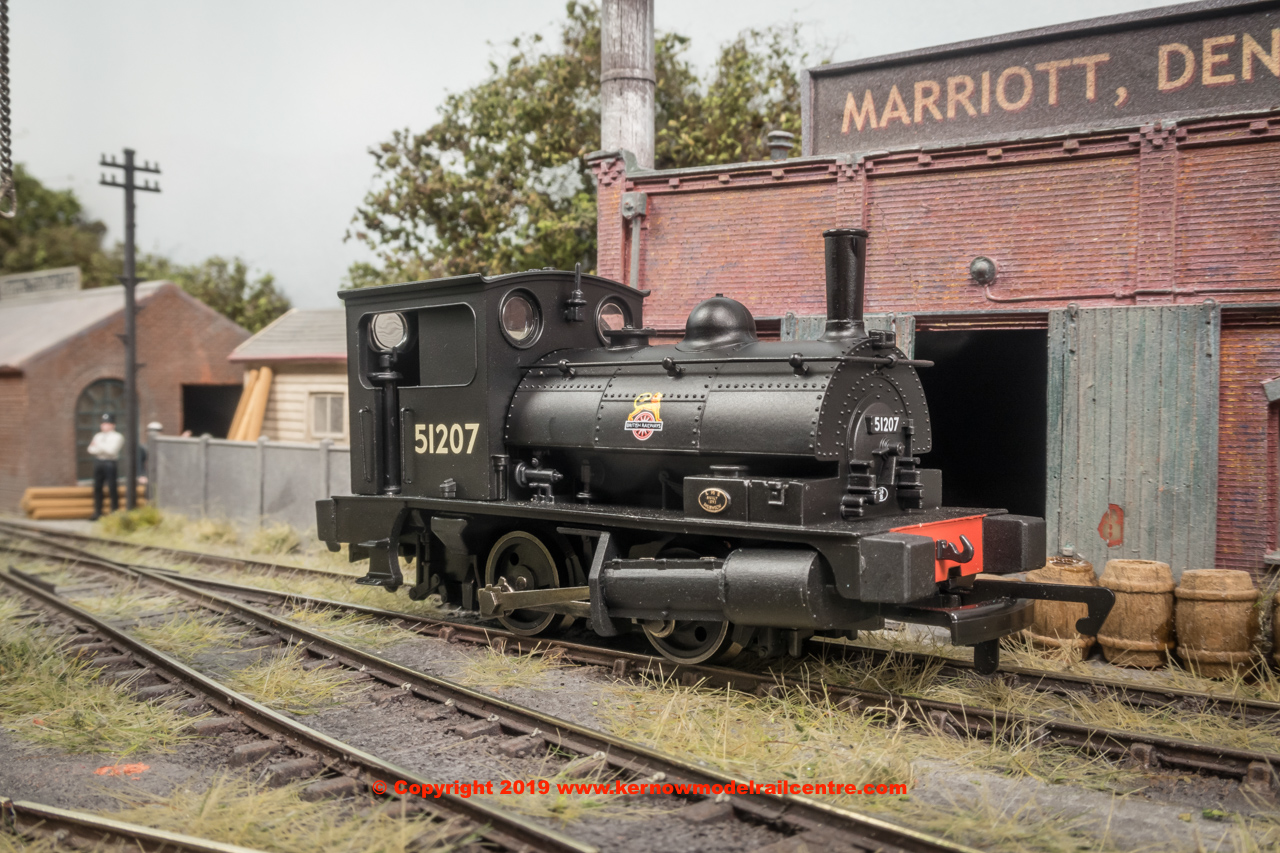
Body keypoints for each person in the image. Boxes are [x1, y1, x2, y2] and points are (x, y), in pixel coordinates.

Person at [88, 413, 124, 519]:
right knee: (97, 487)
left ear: (113, 425)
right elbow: (90, 449)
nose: (104, 426)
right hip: (99, 462)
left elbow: (112, 451)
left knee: (112, 487)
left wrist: (99, 446)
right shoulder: (98, 436)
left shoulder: (117, 436)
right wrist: (103, 448)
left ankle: (114, 511)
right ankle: (98, 511)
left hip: (110, 463)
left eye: (107, 423)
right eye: (103, 423)